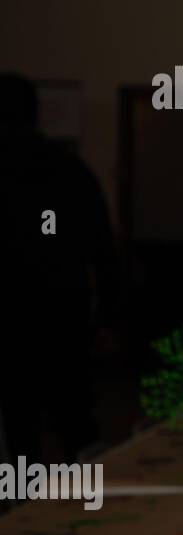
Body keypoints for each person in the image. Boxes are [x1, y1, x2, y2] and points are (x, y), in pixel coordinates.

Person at [0, 73, 120, 464]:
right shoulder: (71, 169)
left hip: (12, 312)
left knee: (19, 423)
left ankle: (23, 509)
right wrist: (109, 318)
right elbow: (103, 250)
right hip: (63, 311)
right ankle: (83, 503)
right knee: (73, 416)